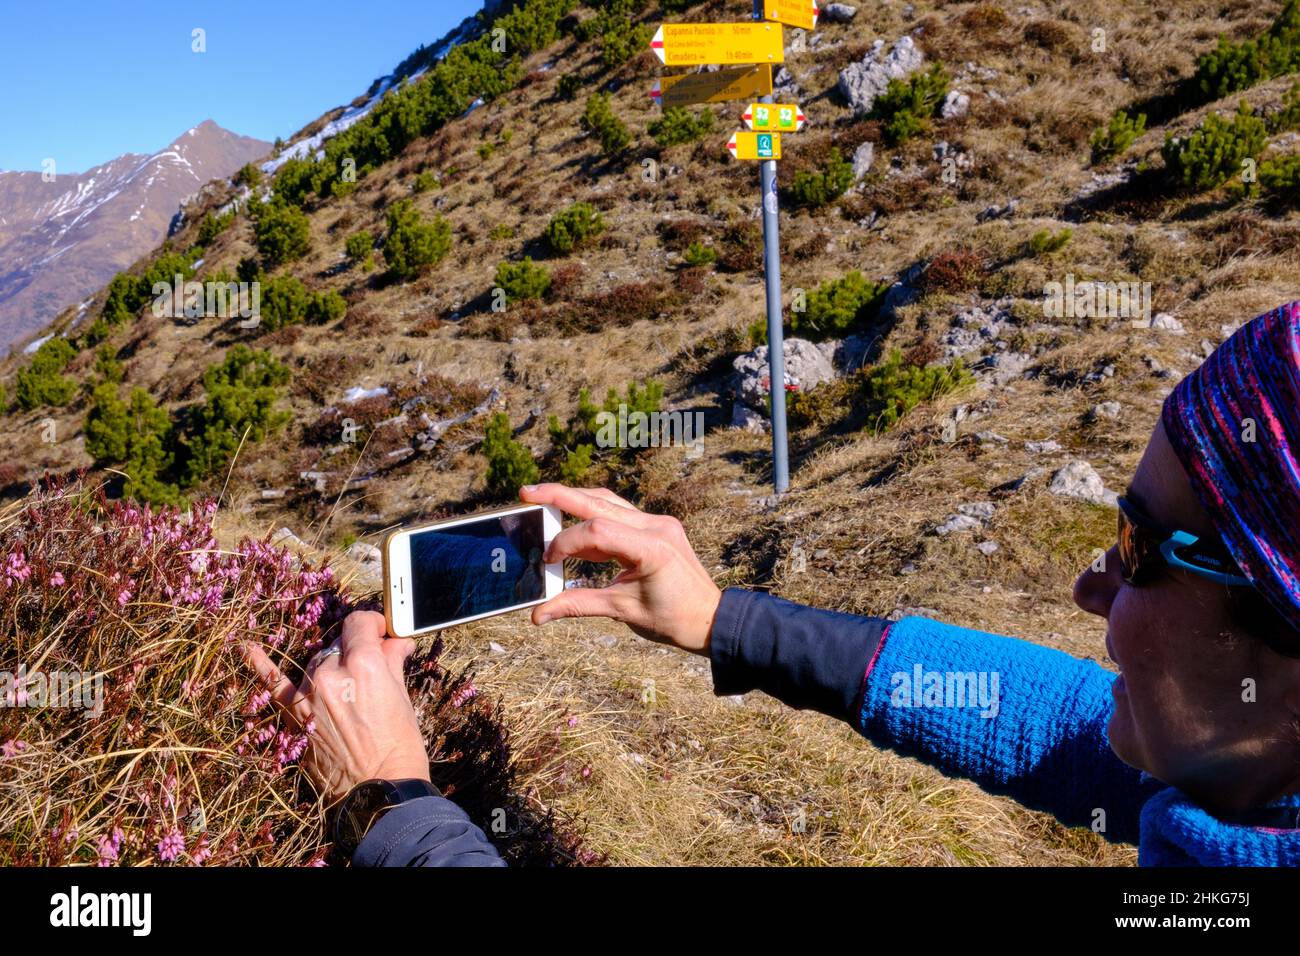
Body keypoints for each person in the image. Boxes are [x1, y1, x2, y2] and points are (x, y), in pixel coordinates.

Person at [248, 301, 1300, 866]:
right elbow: (1057, 725)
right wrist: (722, 619)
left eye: (1141, 545)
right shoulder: (1248, 769)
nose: (1089, 586)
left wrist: (390, 799)